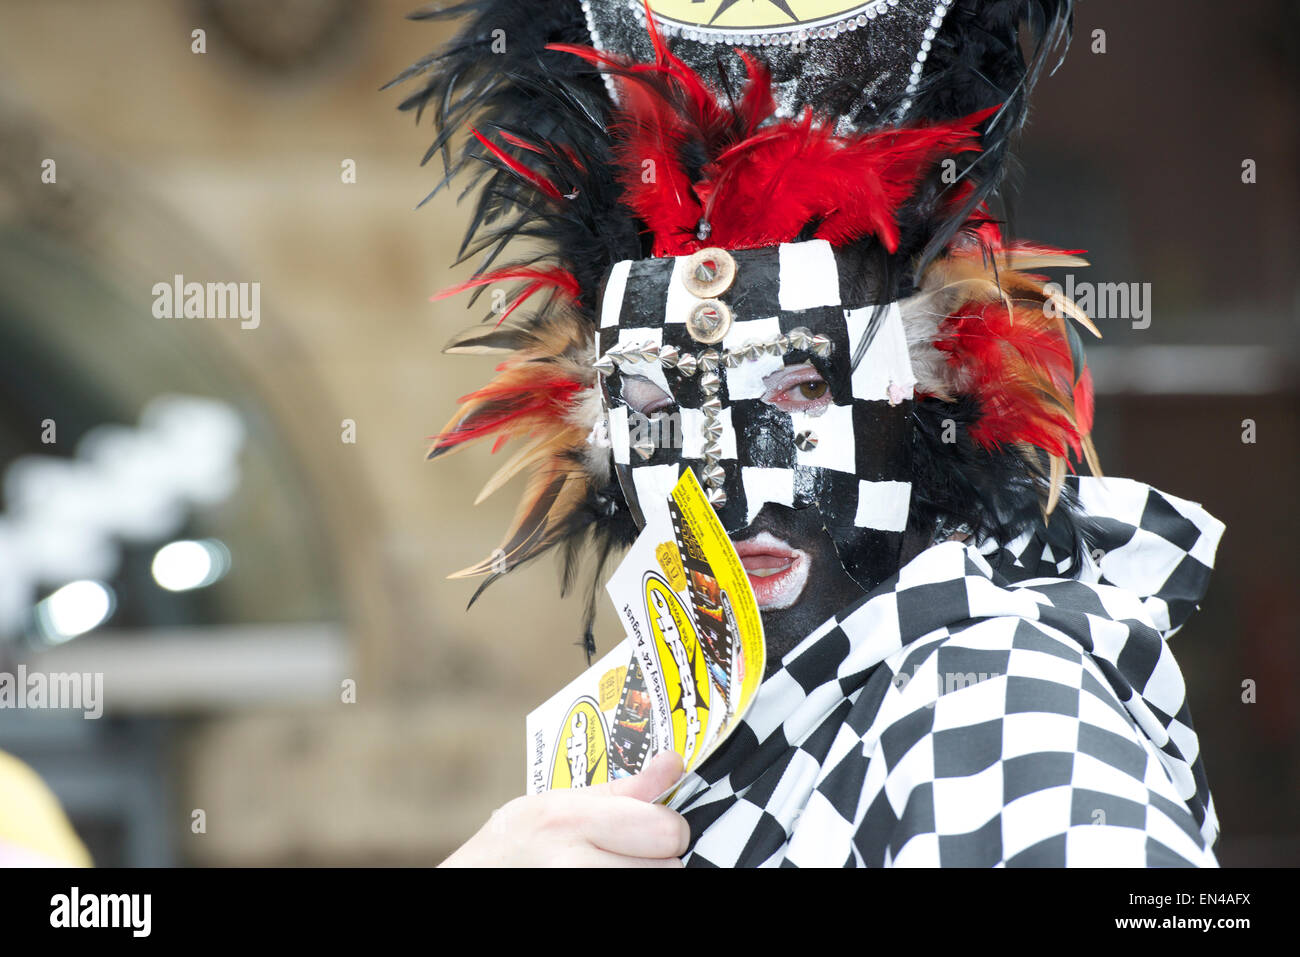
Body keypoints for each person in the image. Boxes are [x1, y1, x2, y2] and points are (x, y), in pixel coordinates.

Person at [394, 0, 1222, 867]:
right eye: (651, 405)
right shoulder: (694, 745)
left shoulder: (986, 700)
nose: (719, 486)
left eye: (798, 388)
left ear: (925, 392)